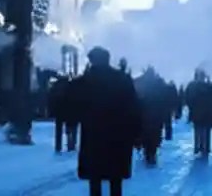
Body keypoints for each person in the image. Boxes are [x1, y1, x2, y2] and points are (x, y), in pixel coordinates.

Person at [71, 47, 142, 196]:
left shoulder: (85, 81)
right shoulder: (122, 79)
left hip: (93, 136)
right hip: (118, 136)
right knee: (115, 179)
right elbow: (134, 107)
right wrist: (136, 134)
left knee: (94, 178)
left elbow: (73, 104)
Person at [133, 67, 173, 166]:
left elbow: (135, 99)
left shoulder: (140, 82)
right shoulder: (159, 84)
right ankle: (152, 154)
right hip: (156, 115)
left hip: (144, 115)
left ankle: (147, 152)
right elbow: (166, 101)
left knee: (145, 135)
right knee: (155, 135)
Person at [50, 75, 78, 153]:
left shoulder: (56, 86)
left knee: (58, 130)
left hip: (59, 111)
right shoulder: (72, 86)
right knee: (71, 128)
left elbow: (51, 98)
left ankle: (58, 146)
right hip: (70, 110)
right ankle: (71, 144)